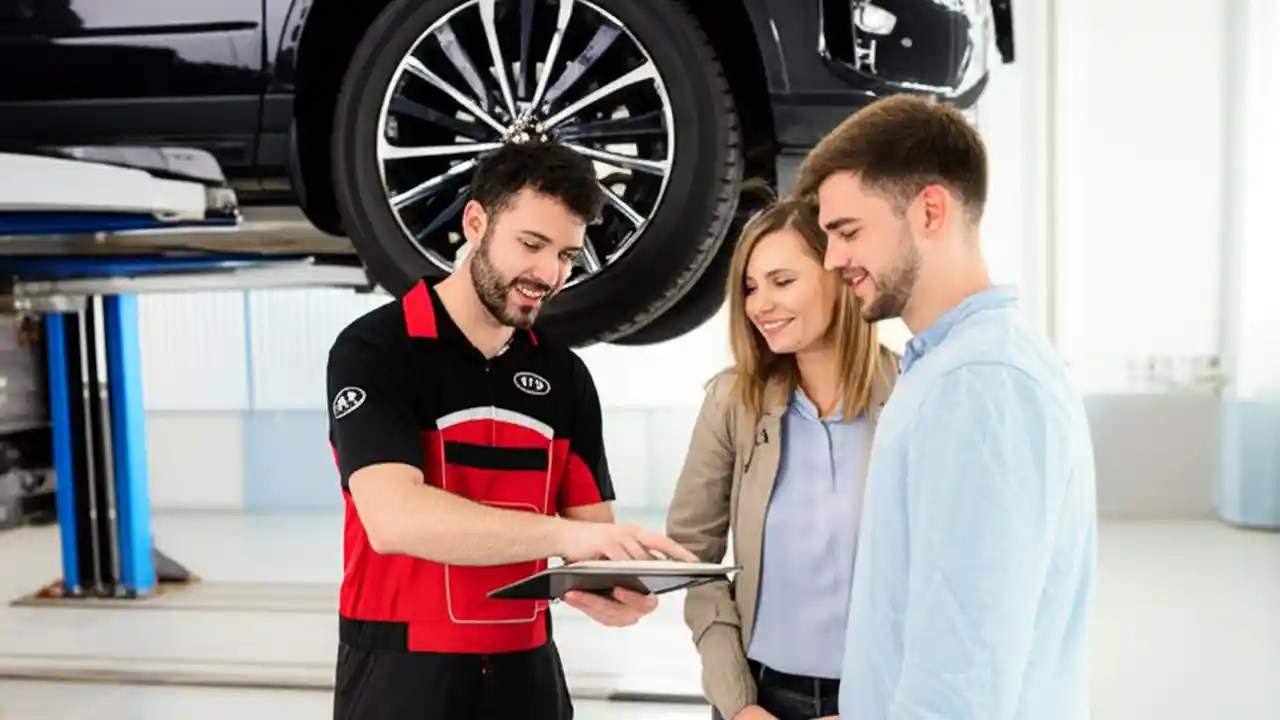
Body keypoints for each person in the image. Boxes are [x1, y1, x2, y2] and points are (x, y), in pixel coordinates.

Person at [325, 140, 698, 720]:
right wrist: (567, 540)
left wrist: (619, 589)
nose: (548, 274)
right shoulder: (376, 350)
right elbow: (394, 519)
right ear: (476, 222)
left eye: (567, 255)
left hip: (529, 678)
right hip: (400, 676)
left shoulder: (564, 375)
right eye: (531, 244)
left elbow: (588, 537)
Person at [790, 93, 1098, 720]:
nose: (833, 260)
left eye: (848, 232)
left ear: (930, 210)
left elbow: (965, 670)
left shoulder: (981, 383)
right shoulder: (945, 367)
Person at [665, 199, 900, 720]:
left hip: (882, 701)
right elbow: (693, 562)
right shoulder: (731, 402)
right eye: (751, 287)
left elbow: (946, 578)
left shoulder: (915, 398)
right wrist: (739, 704)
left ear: (840, 274)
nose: (758, 304)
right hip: (761, 700)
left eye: (781, 281)